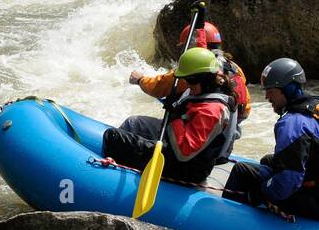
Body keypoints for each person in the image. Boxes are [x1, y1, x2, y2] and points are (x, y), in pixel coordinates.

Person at [223, 57, 319, 222]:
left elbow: (286, 184)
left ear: (287, 89)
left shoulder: (292, 123)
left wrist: (261, 192)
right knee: (268, 161)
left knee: (242, 171)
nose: (267, 97)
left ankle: (229, 220)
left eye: (271, 91)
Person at [102, 47, 240, 185]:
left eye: (190, 81)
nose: (186, 84)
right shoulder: (207, 87)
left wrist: (175, 117)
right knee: (134, 123)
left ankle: (108, 176)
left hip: (186, 168)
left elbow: (183, 153)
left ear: (204, 79)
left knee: (113, 137)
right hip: (182, 145)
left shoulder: (211, 111)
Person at [131, 20, 251, 121]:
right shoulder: (233, 67)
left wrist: (140, 79)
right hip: (229, 126)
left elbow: (157, 87)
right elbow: (245, 105)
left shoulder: (194, 68)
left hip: (197, 125)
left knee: (134, 123)